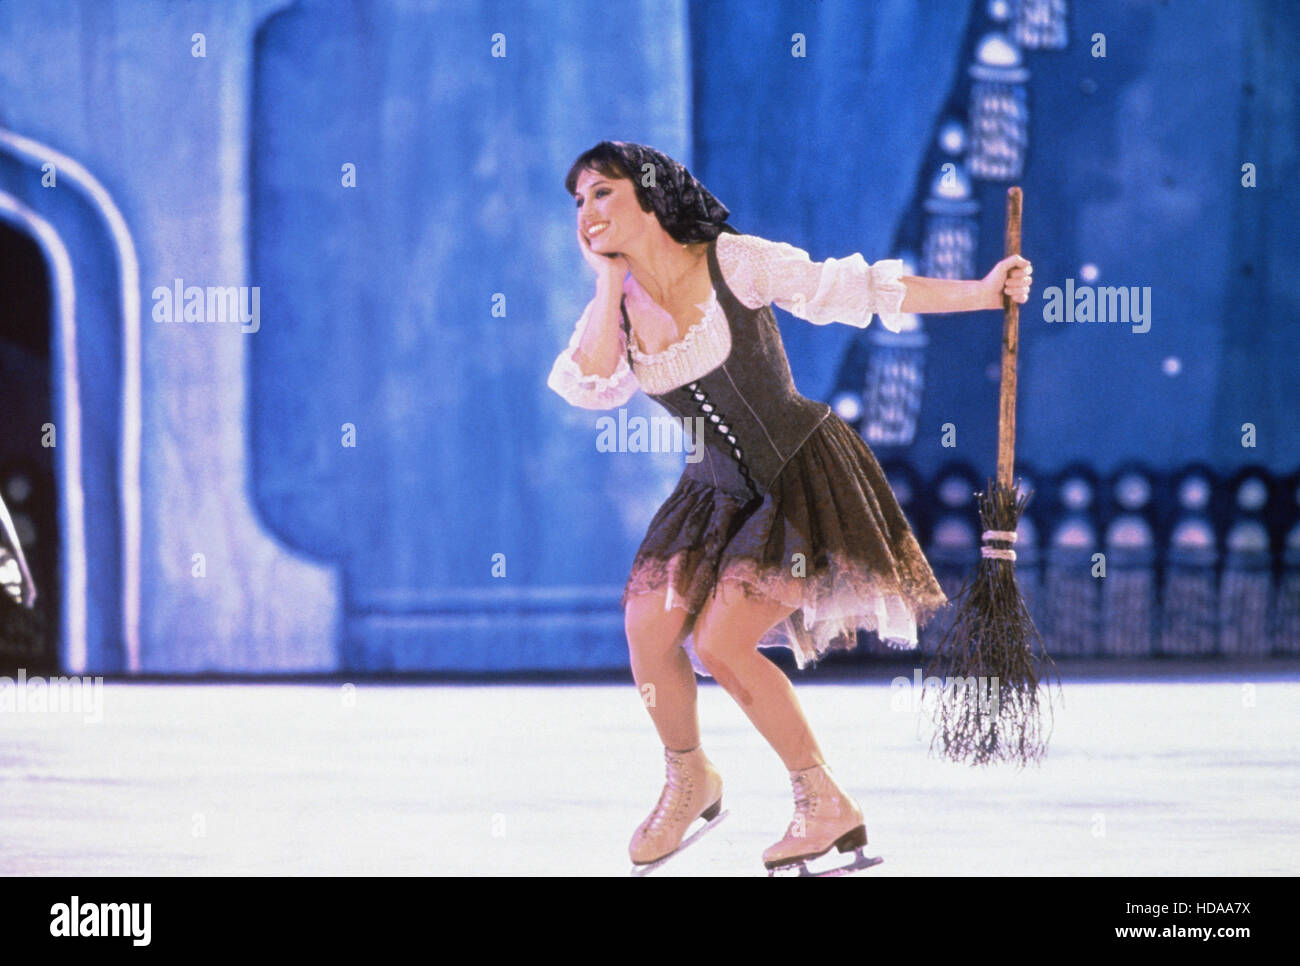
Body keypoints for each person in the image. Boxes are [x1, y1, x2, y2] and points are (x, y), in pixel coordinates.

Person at [547, 140, 1033, 872]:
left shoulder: (733, 262)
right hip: (714, 492)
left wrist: (981, 290)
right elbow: (588, 383)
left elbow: (855, 289)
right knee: (648, 622)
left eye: (603, 193)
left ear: (649, 195)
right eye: (578, 202)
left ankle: (824, 804)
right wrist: (609, 287)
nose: (587, 214)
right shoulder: (616, 308)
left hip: (798, 475)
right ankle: (689, 782)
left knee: (720, 643)